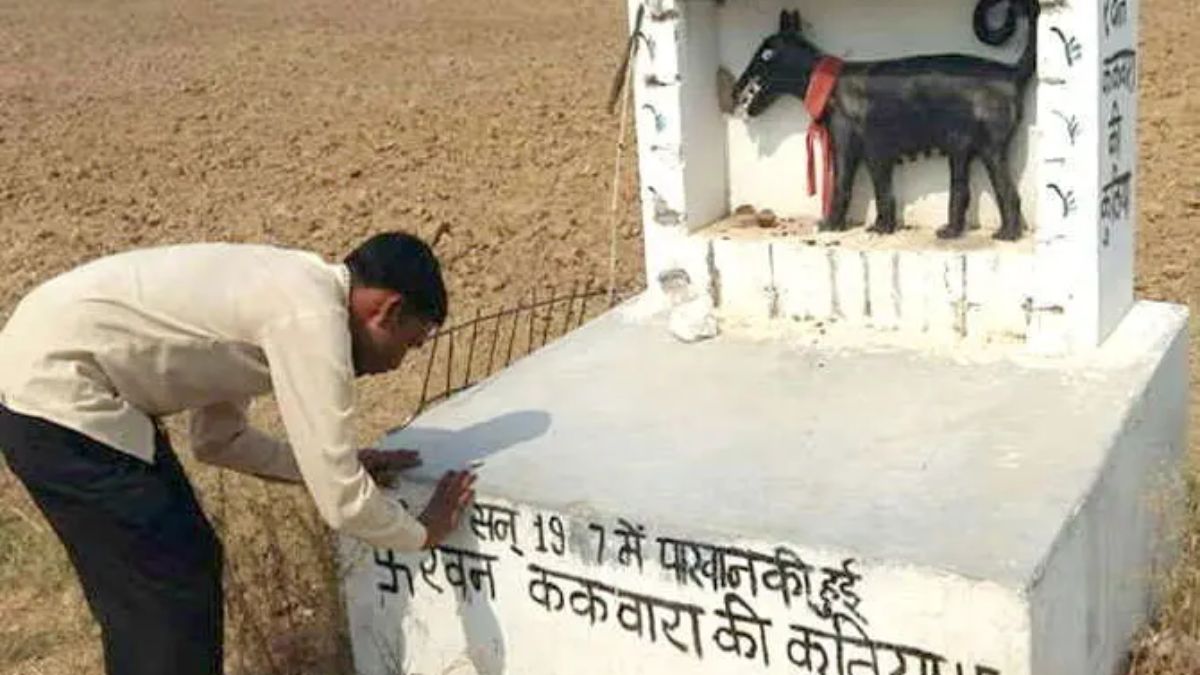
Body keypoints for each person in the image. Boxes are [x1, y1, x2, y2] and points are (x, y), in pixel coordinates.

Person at [0, 231, 476, 675]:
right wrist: (422, 531)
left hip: (60, 380)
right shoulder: (312, 318)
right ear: (387, 311)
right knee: (165, 583)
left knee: (162, 580)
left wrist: (345, 467)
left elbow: (218, 440)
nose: (397, 365)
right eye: (408, 345)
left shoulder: (289, 290)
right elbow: (342, 502)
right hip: (58, 391)